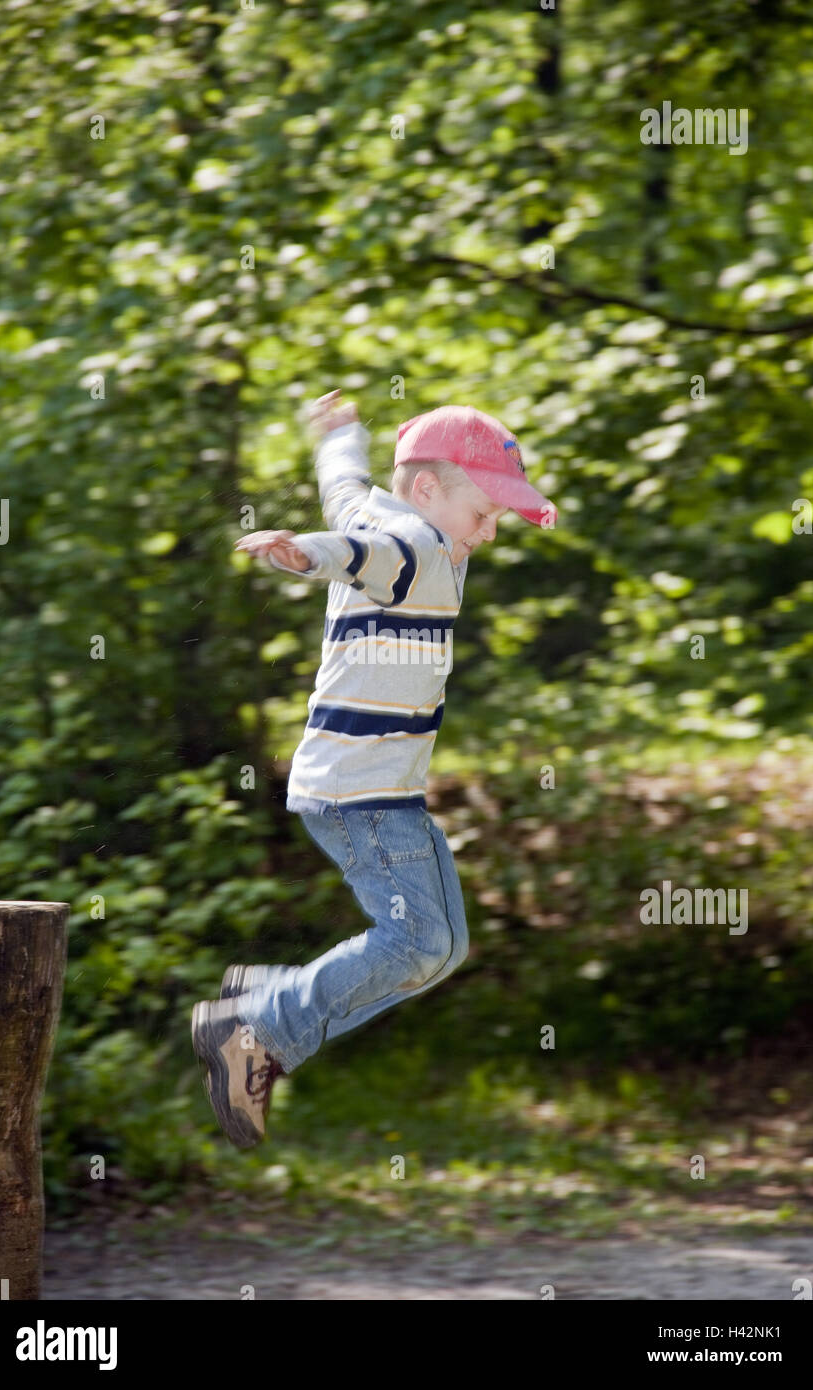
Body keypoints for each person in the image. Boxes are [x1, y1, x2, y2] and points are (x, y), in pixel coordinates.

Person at [191, 390, 557, 1147]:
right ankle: (259, 1031)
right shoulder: (416, 547)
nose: (487, 535)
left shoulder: (390, 515)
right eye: (483, 514)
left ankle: (261, 1004)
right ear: (427, 491)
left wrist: (340, 434)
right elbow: (356, 552)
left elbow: (343, 492)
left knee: (443, 949)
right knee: (417, 944)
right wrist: (306, 555)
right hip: (364, 794)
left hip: (371, 788)